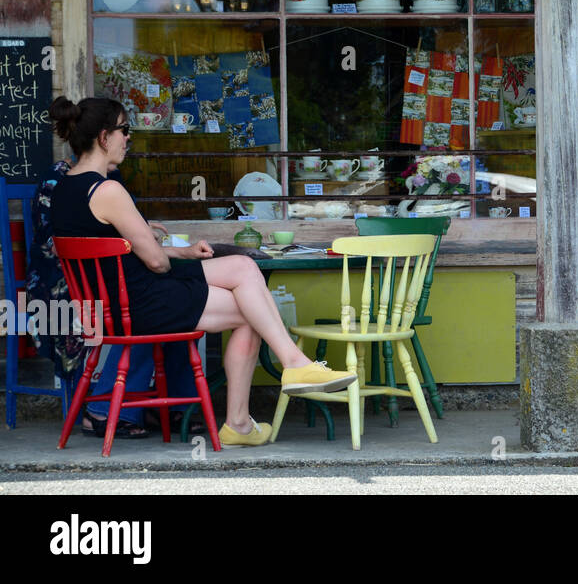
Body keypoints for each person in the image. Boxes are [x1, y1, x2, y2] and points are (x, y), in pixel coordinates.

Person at [48, 95, 357, 447]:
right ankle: (253, 406)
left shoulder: (65, 188)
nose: (128, 138)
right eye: (124, 130)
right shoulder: (108, 190)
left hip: (109, 308)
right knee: (248, 305)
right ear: (104, 137)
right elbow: (156, 263)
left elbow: (115, 252)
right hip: (138, 305)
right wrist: (168, 254)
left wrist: (181, 250)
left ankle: (283, 375)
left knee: (242, 272)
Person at [32, 157, 198, 439]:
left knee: (172, 300)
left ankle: (169, 402)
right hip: (66, 282)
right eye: (122, 133)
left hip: (110, 276)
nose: (126, 142)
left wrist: (140, 232)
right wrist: (137, 239)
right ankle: (111, 408)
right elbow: (58, 244)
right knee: (151, 308)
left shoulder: (110, 177)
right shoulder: (62, 179)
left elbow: (119, 230)